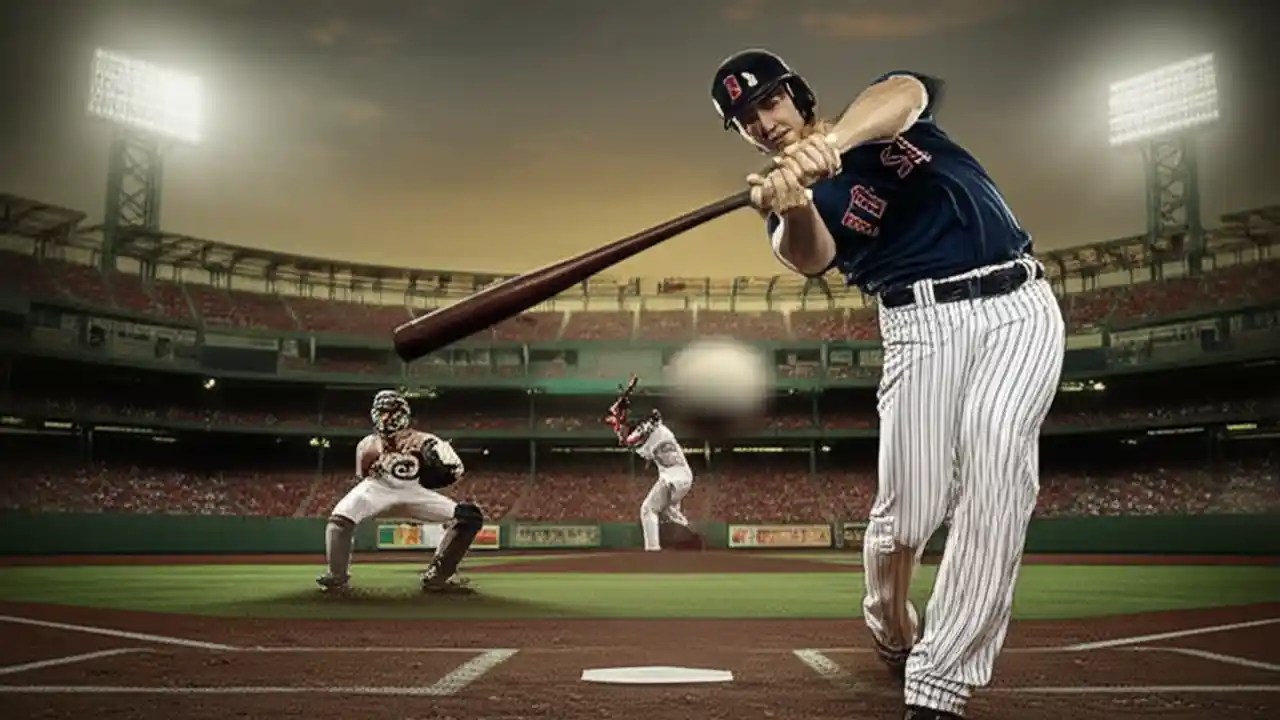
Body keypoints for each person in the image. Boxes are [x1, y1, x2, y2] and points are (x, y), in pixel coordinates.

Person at [710, 49, 1066, 720]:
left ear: (797, 95)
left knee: (998, 463)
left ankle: (939, 681)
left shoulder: (878, 115)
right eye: (745, 119)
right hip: (919, 326)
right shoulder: (788, 199)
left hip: (1018, 306)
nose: (762, 121)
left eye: (769, 102)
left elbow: (906, 92)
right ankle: (887, 619)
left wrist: (832, 146)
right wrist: (795, 203)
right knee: (908, 512)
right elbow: (810, 257)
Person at [316, 389, 481, 593]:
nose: (385, 418)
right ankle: (336, 575)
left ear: (403, 414)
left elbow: (455, 469)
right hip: (377, 488)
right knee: (340, 517)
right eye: (381, 412)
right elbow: (364, 476)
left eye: (390, 412)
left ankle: (438, 575)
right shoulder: (366, 445)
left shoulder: (425, 441)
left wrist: (441, 465)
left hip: (414, 491)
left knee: (469, 517)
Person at [604, 392, 695, 552]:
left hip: (673, 478)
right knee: (669, 513)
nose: (621, 431)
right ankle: (691, 540)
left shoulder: (650, 433)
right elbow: (647, 425)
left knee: (648, 509)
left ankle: (652, 551)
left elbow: (640, 429)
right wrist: (623, 412)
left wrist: (622, 411)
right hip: (681, 477)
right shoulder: (653, 432)